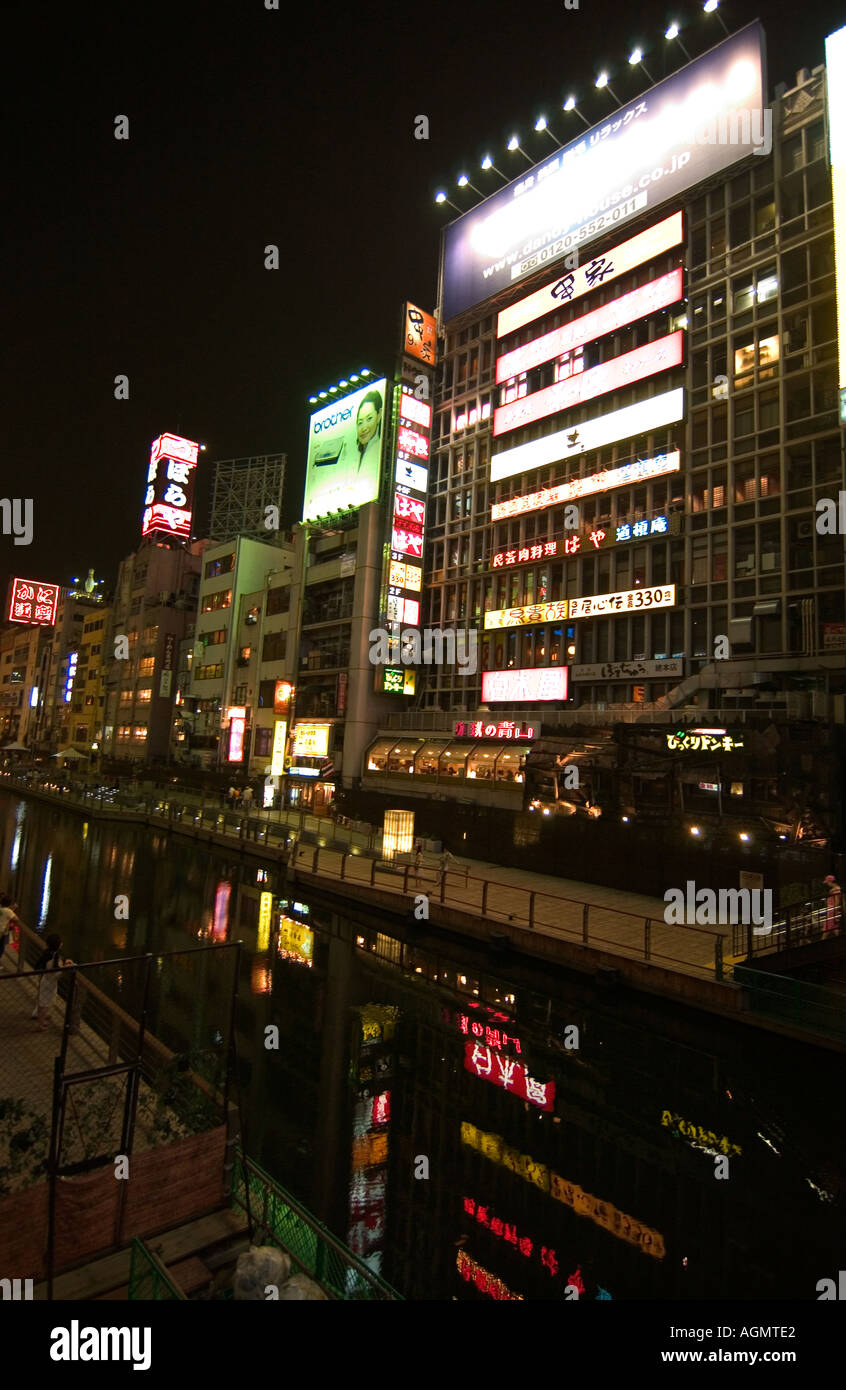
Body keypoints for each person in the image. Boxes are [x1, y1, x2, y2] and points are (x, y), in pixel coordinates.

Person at [32, 933, 64, 1030]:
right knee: (45, 1003)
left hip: (45, 979)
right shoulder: (55, 956)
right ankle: (40, 1023)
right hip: (50, 982)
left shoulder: (46, 953)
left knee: (43, 1001)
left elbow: (39, 964)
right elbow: (56, 969)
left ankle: (40, 1017)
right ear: (58, 945)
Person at [355, 390, 383, 477]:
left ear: (379, 415)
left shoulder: (379, 450)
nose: (363, 428)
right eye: (360, 422)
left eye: (369, 418)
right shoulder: (354, 454)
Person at [0, 893, 20, 966]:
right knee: (1, 948)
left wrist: (12, 909)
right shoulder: (8, 911)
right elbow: (16, 919)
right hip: (2, 932)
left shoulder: (1, 909)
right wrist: (12, 910)